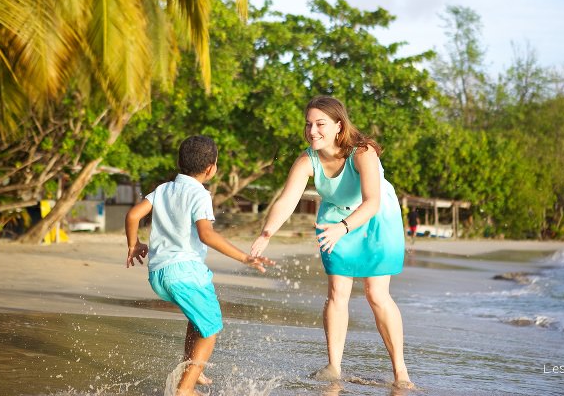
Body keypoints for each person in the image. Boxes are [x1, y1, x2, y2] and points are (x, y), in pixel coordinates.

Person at [250, 96, 412, 388]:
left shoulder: (363, 152)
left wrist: (343, 228)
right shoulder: (307, 160)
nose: (312, 131)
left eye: (320, 124)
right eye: (308, 124)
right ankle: (334, 366)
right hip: (335, 217)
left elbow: (372, 202)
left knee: (376, 294)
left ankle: (401, 373)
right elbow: (287, 200)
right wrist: (266, 233)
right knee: (337, 291)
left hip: (375, 218)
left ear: (339, 126)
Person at [125, 135, 273, 396]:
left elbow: (133, 214)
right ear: (211, 168)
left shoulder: (163, 189)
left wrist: (133, 244)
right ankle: (185, 389)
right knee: (211, 329)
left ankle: (191, 367)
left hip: (159, 273)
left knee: (197, 319)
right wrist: (244, 257)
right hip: (186, 273)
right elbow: (206, 234)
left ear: (180, 162)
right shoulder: (200, 194)